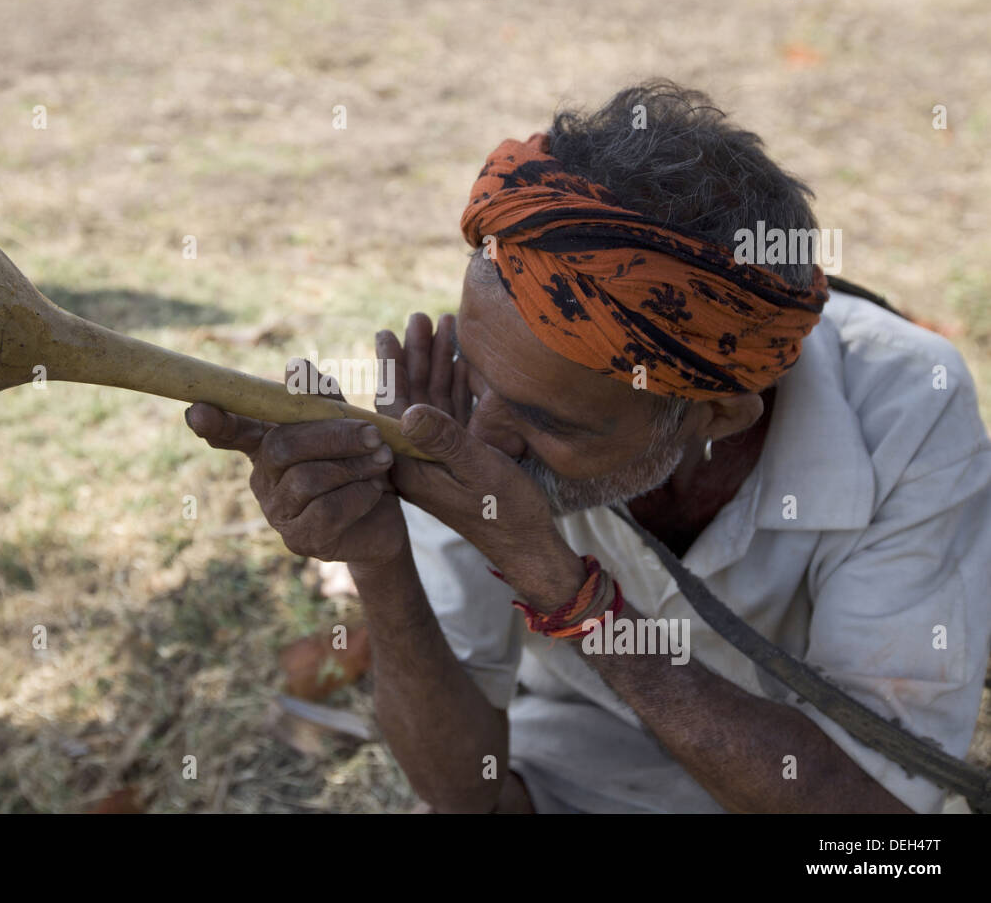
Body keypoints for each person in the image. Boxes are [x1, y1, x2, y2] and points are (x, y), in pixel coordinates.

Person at [184, 80, 991, 813]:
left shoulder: (903, 406)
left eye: (549, 423)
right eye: (479, 373)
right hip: (591, 753)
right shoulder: (470, 402)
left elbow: (877, 827)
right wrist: (381, 558)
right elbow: (469, 798)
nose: (488, 438)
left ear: (718, 418)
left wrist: (560, 587)